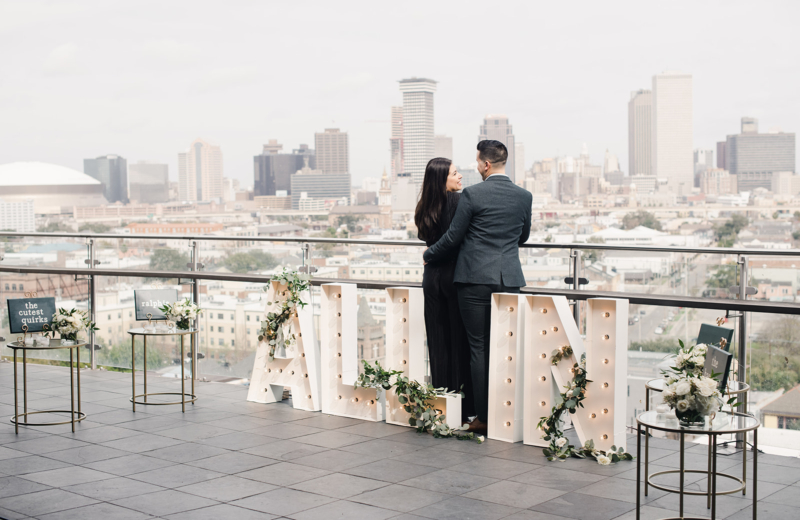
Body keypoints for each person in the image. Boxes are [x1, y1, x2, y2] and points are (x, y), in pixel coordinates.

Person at [423, 140, 532, 435]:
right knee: (508, 348)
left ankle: (483, 416)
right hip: (509, 279)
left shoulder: (472, 194)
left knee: (479, 348)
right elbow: (522, 237)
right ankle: (512, 414)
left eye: (476, 162)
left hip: (473, 280)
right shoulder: (524, 196)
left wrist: (428, 255)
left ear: (485, 164)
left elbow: (453, 238)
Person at [414, 157, 475, 423]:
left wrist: (430, 253)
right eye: (454, 173)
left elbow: (424, 237)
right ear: (443, 179)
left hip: (431, 278)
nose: (460, 176)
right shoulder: (458, 201)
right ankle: (462, 408)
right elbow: (457, 238)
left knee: (437, 342)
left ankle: (441, 405)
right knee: (458, 342)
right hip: (453, 276)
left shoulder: (423, 205)